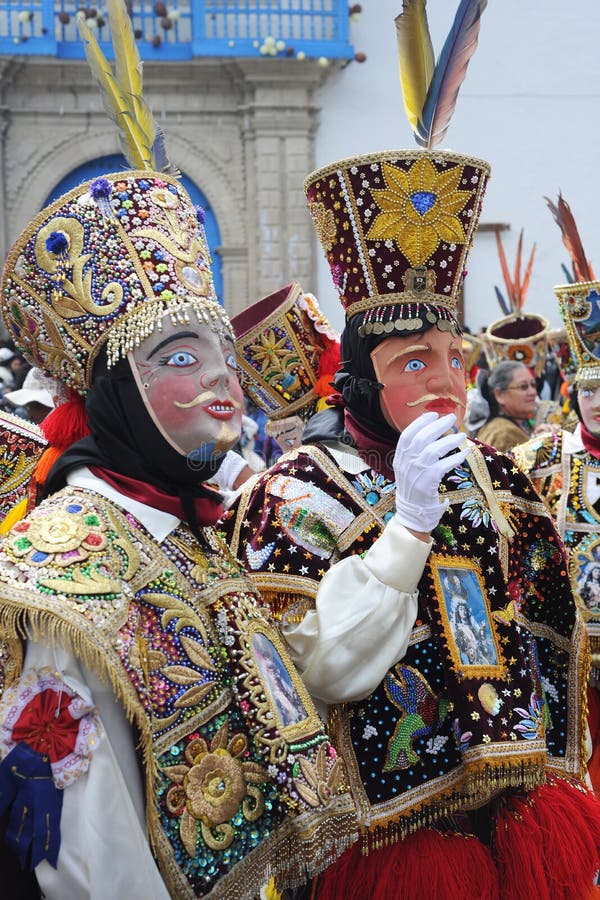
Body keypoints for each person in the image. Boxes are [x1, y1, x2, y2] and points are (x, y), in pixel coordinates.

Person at [223, 5, 600, 888]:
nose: (444, 379)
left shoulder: (503, 472)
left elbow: (548, 627)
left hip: (512, 815)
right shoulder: (293, 492)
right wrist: (406, 533)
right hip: (391, 841)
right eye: (411, 361)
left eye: (452, 356)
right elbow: (317, 668)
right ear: (361, 380)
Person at [0, 5, 355, 898]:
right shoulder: (60, 575)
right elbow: (86, 852)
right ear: (115, 393)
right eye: (179, 358)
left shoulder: (197, 530)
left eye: (223, 355)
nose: (223, 385)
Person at [473, 360, 539, 450]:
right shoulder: (506, 434)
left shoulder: (499, 426)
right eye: (523, 386)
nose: (533, 392)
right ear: (499, 395)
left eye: (533, 385)